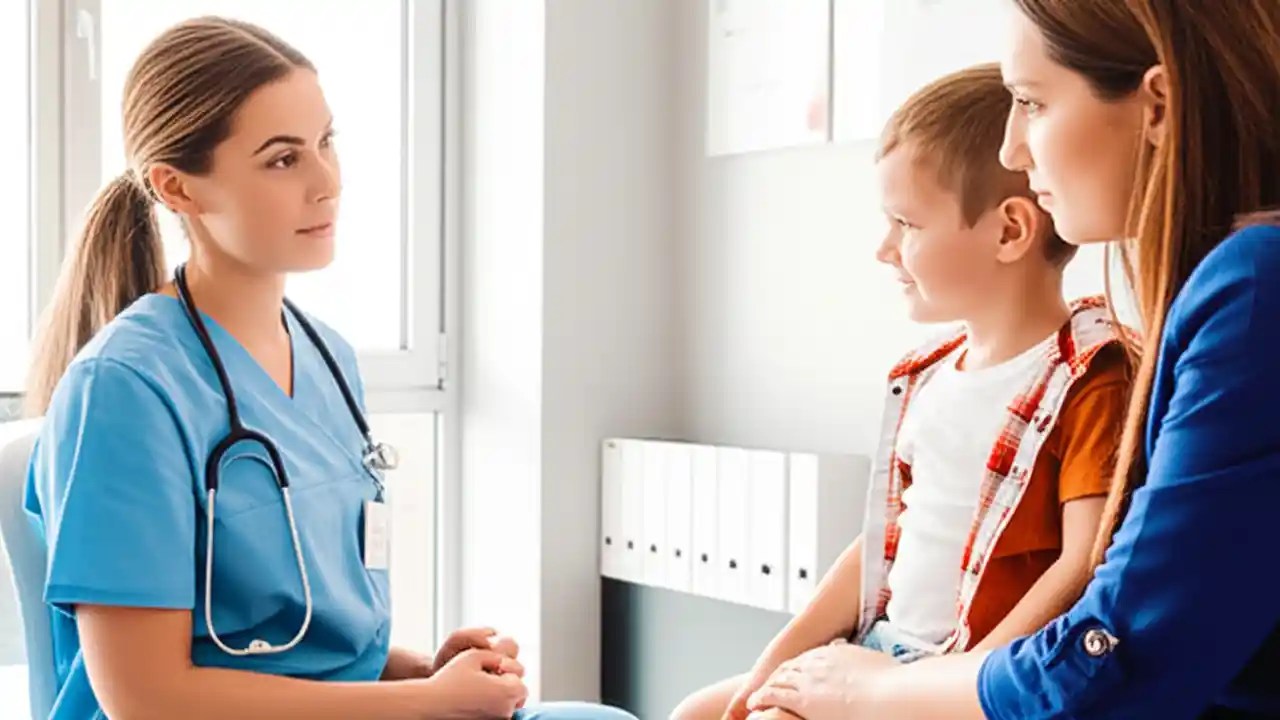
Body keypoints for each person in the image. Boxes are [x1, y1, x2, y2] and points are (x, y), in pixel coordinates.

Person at [22, 17, 636, 720]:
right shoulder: (125, 388)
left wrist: (422, 673)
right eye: (283, 159)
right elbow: (147, 696)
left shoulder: (327, 358)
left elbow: (294, 641)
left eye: (326, 143)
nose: (328, 182)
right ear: (178, 189)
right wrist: (425, 704)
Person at [745, 1, 1280, 718]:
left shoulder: (1253, 290)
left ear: (1158, 104)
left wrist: (876, 691)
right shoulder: (1226, 291)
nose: (1012, 151)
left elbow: (1116, 651)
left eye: (1031, 102)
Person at [673, 63, 1128, 720]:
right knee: (697, 711)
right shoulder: (927, 376)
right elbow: (885, 540)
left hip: (962, 671)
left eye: (906, 224)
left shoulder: (1089, 379)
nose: (884, 249)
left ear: (1009, 231)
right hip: (881, 653)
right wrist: (776, 662)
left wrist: (967, 683)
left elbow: (1081, 564)